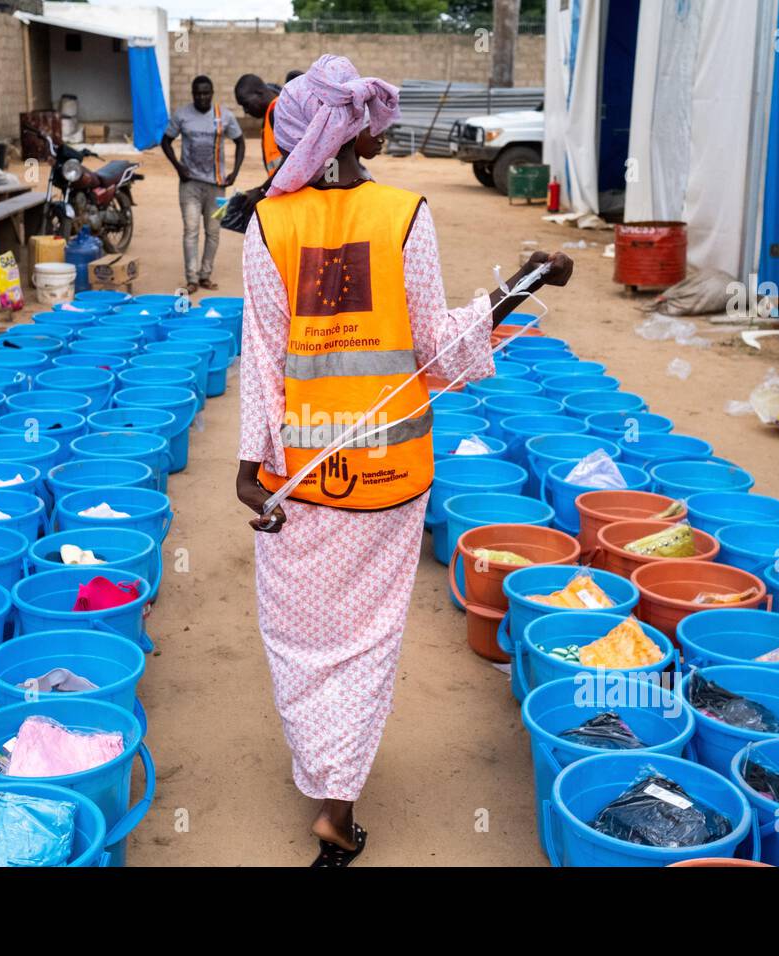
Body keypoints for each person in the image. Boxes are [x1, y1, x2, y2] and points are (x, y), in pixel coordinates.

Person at [234, 55, 573, 867]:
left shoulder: (268, 223)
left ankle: (324, 775)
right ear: (367, 137)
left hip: (300, 474)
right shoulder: (406, 214)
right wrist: (525, 280)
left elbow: (261, 355)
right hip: (391, 476)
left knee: (298, 637)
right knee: (367, 641)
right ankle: (337, 801)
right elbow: (438, 349)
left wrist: (249, 465)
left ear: (296, 134)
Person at [161, 76, 245, 293]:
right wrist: (179, 168)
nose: (202, 97)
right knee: (191, 230)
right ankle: (191, 279)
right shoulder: (182, 114)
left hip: (217, 185)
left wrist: (234, 172)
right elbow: (165, 141)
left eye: (206, 93)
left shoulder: (223, 115)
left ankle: (205, 275)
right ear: (192, 94)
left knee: (213, 231)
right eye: (197, 93)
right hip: (189, 185)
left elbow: (240, 141)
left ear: (212, 93)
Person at [234, 74, 283, 178]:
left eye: (246, 104)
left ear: (259, 92)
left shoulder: (278, 112)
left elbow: (292, 160)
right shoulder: (270, 112)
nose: (245, 111)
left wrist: (261, 190)